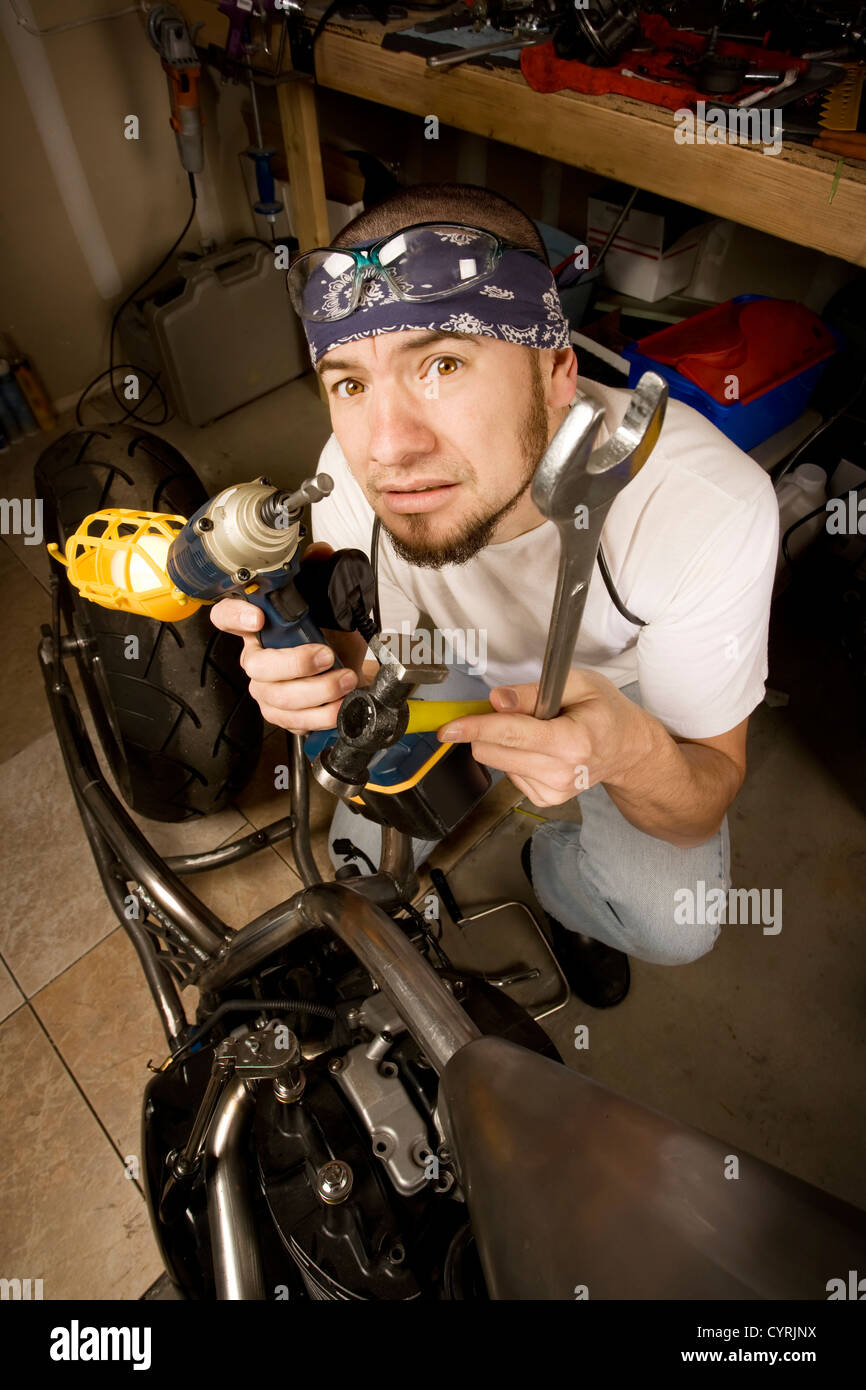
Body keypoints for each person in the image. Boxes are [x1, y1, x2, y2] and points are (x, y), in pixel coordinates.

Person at [210, 182, 779, 1009]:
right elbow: (370, 651)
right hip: (441, 648)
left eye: (442, 364)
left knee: (672, 926)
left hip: (627, 687)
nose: (389, 449)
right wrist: (332, 666)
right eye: (350, 383)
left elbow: (703, 795)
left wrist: (620, 751)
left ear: (556, 371)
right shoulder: (351, 460)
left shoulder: (702, 510)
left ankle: (555, 877)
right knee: (365, 836)